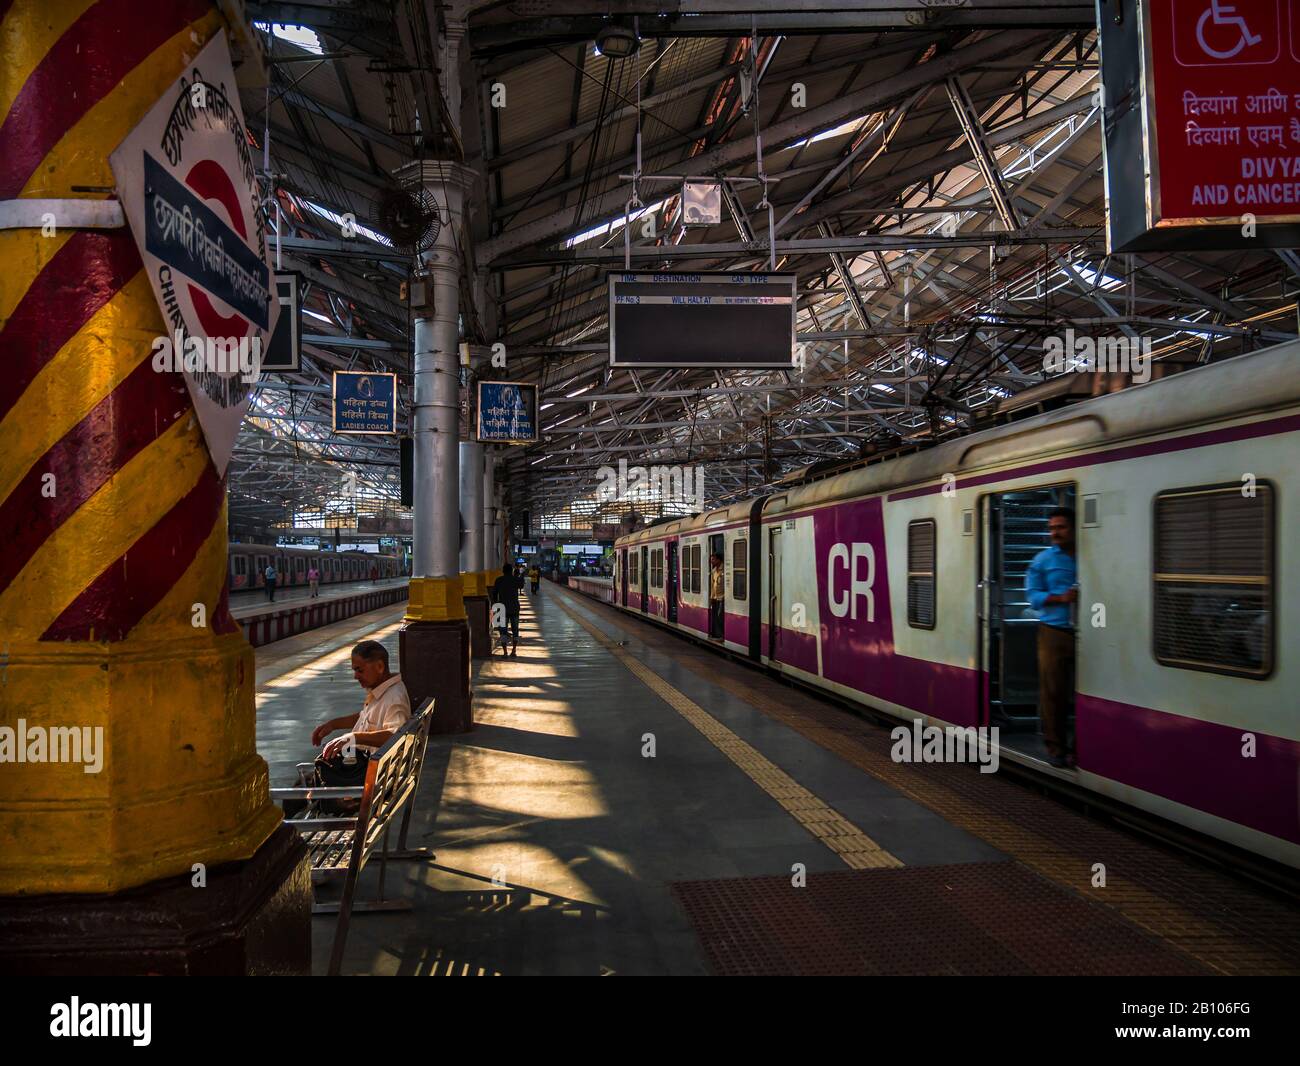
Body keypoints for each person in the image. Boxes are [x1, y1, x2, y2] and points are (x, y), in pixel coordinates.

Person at [295, 641, 410, 812]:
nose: (356, 676)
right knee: (309, 780)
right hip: (361, 770)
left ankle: (288, 837)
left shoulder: (394, 698)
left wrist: (353, 737)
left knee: (299, 792)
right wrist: (333, 725)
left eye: (360, 670)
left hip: (369, 781)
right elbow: (364, 717)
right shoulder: (382, 691)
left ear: (379, 666)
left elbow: (395, 735)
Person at [1025, 506, 1078, 768]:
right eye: (1052, 528)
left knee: (1085, 695)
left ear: (1074, 528)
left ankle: (1080, 748)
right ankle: (1056, 748)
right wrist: (1061, 598)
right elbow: (1033, 598)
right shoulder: (1042, 560)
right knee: (1053, 693)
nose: (1055, 533)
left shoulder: (1091, 555)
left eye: (1061, 527)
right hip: (1053, 633)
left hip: (1088, 633)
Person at [491, 563, 521, 657]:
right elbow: (521, 585)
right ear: (511, 570)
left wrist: (495, 605)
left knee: (503, 631)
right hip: (514, 608)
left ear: (503, 571)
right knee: (515, 630)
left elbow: (494, 594)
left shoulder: (499, 580)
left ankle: (504, 652)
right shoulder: (515, 579)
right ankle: (514, 650)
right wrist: (517, 575)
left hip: (502, 608)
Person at [708, 552, 724, 639]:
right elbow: (712, 585)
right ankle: (720, 635)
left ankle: (723, 636)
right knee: (717, 617)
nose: (711, 561)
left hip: (722, 597)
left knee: (720, 616)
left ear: (718, 559)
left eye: (713, 559)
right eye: (711, 559)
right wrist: (711, 598)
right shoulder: (714, 571)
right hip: (715, 598)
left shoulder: (725, 569)